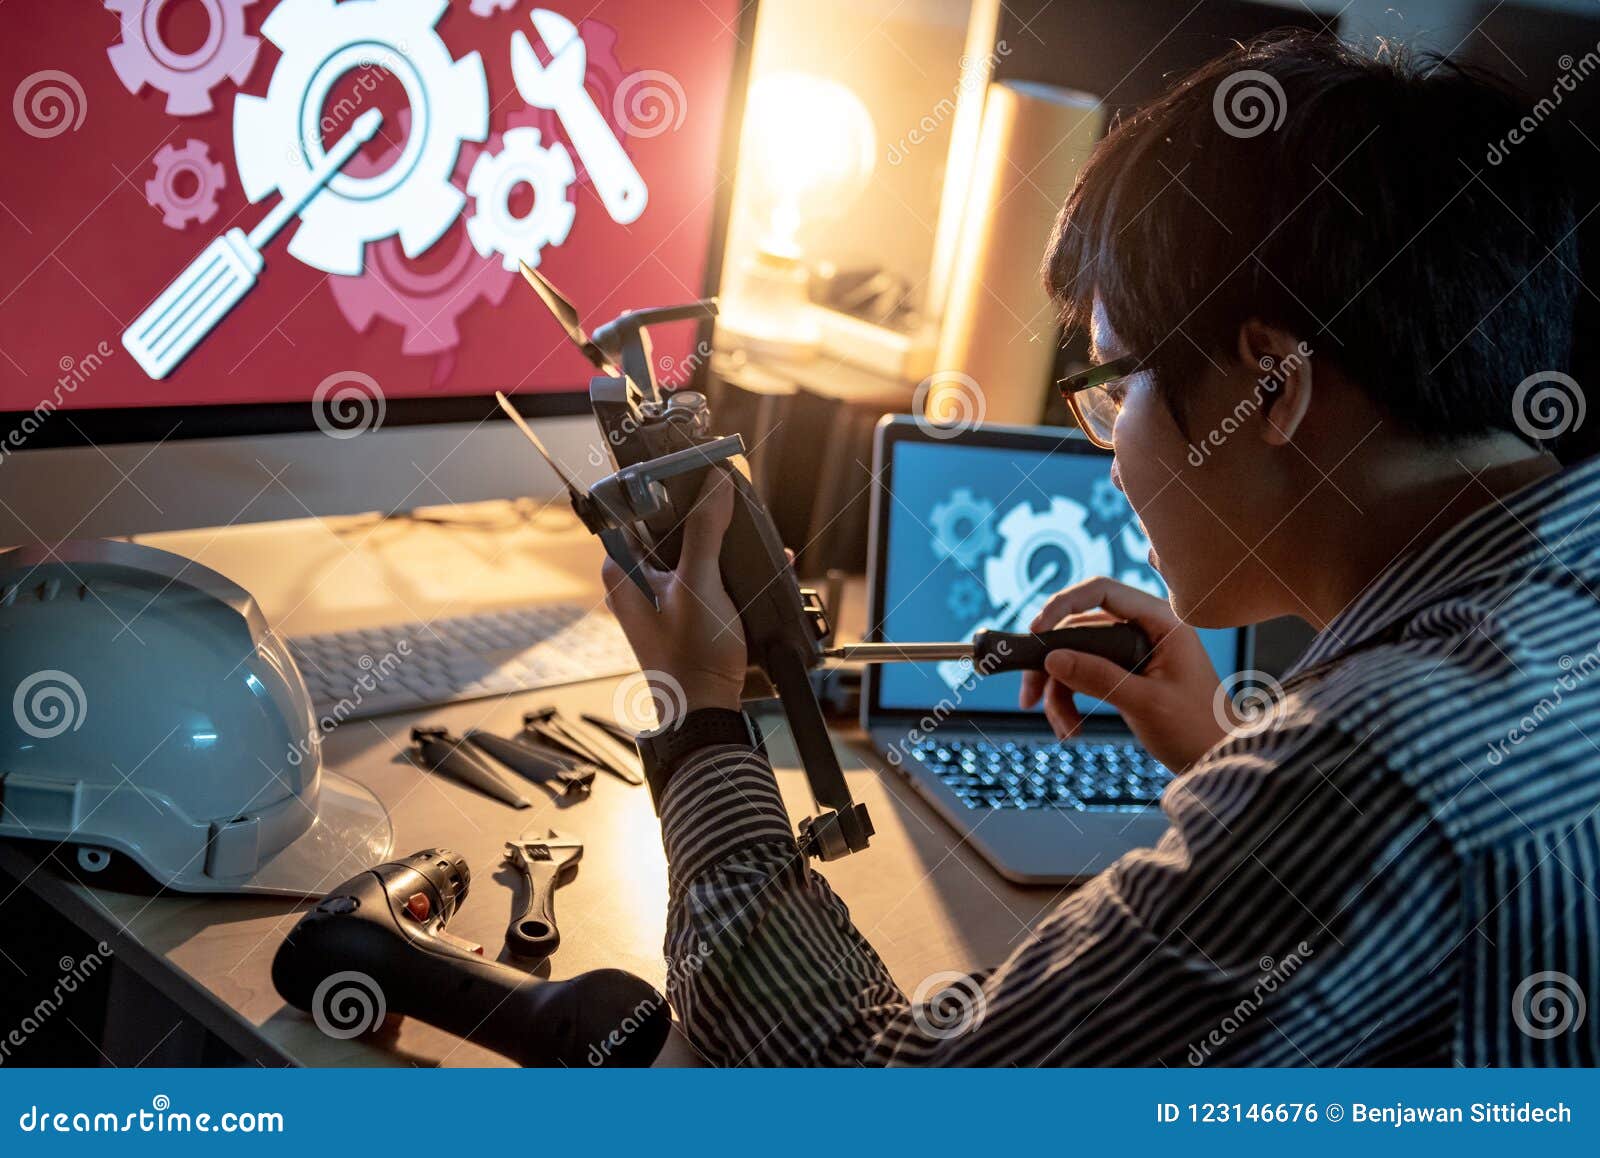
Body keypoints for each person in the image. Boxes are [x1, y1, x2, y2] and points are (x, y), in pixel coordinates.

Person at [604, 33, 1599, 1065]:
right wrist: (1229, 760)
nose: (1113, 458)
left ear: (1269, 385)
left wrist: (702, 716)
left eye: (1114, 388)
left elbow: (881, 1097)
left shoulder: (1368, 771)